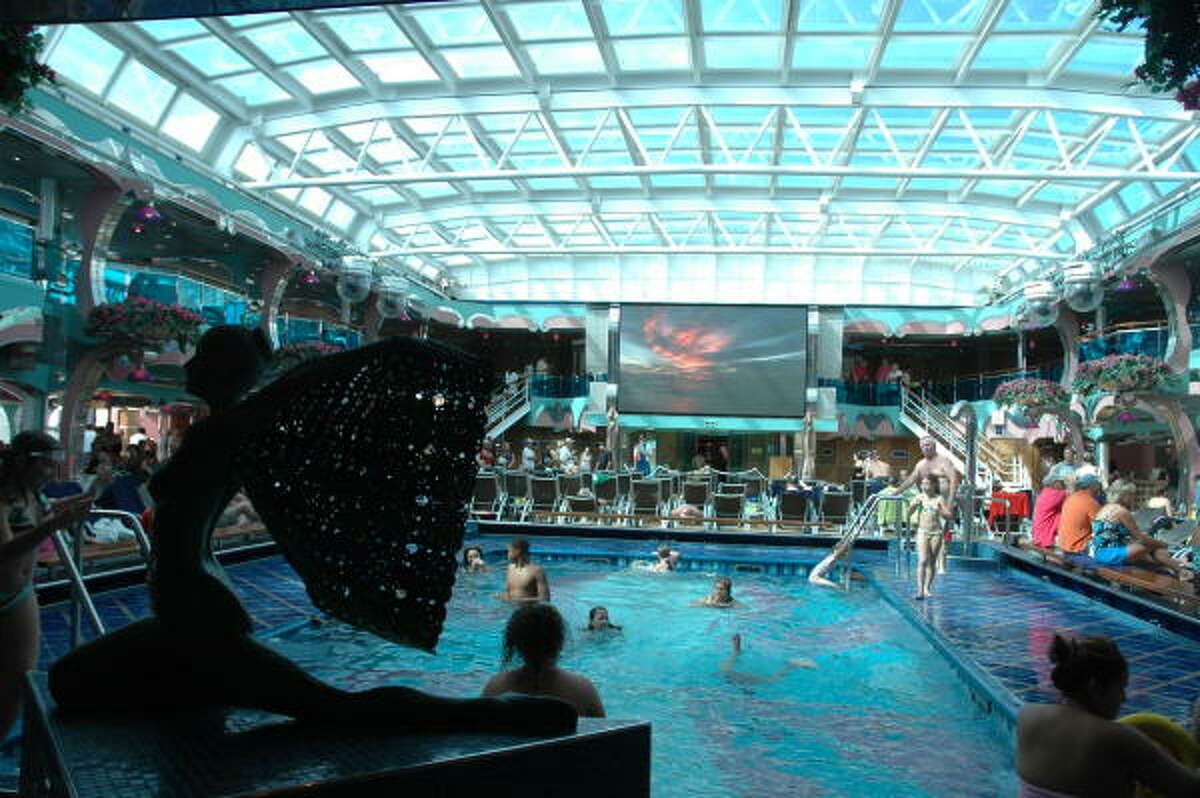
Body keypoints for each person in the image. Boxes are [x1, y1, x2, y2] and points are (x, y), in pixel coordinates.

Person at [49, 326, 576, 736]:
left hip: (198, 615)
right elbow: (304, 382)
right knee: (68, 682)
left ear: (225, 370)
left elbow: (308, 382)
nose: (188, 363)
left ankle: (488, 715)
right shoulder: (223, 426)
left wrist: (394, 351)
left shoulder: (231, 427)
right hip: (186, 612)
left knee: (333, 710)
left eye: (203, 355)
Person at [1017, 634, 1200, 797]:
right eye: (1121, 688)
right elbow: (1191, 789)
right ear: (1095, 687)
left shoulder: (1027, 716)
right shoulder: (1118, 738)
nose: (1123, 698)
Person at [1, 433, 95, 740]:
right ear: (23, 463)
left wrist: (89, 494)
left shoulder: (33, 494)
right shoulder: (2, 498)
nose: (52, 473)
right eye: (46, 466)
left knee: (16, 680)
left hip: (19, 595)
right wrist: (52, 526)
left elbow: (47, 509)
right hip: (7, 596)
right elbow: (4, 552)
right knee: (13, 680)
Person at [482, 603, 605, 718]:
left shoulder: (495, 688)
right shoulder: (583, 691)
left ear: (515, 644)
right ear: (560, 642)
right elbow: (604, 734)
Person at [1090, 481, 1191, 582]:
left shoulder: (1105, 508)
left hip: (1098, 552)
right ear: (1125, 496)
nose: (1133, 499)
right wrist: (1163, 544)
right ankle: (1180, 570)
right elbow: (1141, 538)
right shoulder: (1121, 512)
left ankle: (1176, 568)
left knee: (1151, 550)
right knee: (1152, 546)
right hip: (1109, 554)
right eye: (1132, 495)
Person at [892, 436, 961, 573]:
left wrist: (950, 503)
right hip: (928, 504)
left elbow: (954, 481)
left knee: (942, 532)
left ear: (934, 446)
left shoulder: (944, 461)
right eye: (923, 445)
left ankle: (942, 564)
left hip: (944, 502)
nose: (926, 447)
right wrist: (895, 493)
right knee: (930, 532)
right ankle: (933, 562)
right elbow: (911, 480)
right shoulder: (920, 464)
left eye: (928, 445)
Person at [908, 475, 953, 600]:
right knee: (922, 560)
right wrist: (913, 506)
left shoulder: (939, 499)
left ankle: (927, 588)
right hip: (922, 531)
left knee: (932, 562)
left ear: (934, 485)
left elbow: (948, 515)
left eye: (927, 483)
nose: (924, 486)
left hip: (936, 533)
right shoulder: (919, 497)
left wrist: (941, 510)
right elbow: (908, 512)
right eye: (923, 484)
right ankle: (920, 590)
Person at [719, 633, 816, 686]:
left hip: (736, 679)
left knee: (725, 671)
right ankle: (736, 651)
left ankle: (736, 651)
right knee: (770, 680)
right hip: (737, 679)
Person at [1057, 474, 1103, 553]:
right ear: (1092, 486)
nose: (1100, 487)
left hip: (1064, 546)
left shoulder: (1071, 498)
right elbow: (1103, 526)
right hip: (1079, 549)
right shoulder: (1090, 502)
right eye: (1098, 485)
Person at [501, 538, 549, 602]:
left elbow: (545, 598)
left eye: (509, 551)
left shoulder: (537, 571)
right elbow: (508, 592)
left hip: (528, 610)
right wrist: (503, 596)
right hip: (510, 609)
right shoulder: (510, 568)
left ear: (517, 552)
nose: (507, 555)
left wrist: (516, 600)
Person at [1032, 475, 1070, 549]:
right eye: (1061, 482)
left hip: (1040, 535)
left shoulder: (1045, 493)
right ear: (1054, 483)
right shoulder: (1055, 494)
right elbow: (1073, 496)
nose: (1063, 484)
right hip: (1046, 537)